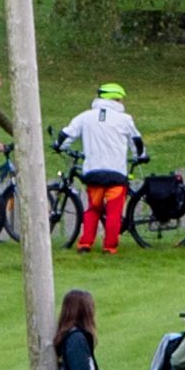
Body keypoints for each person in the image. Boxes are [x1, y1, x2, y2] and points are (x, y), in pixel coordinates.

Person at [59, 83, 143, 256]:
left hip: (93, 173)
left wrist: (60, 146)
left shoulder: (85, 117)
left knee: (93, 209)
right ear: (115, 99)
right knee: (114, 212)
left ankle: (85, 244)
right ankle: (110, 247)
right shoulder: (125, 119)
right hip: (116, 174)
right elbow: (137, 141)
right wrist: (140, 156)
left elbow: (66, 134)